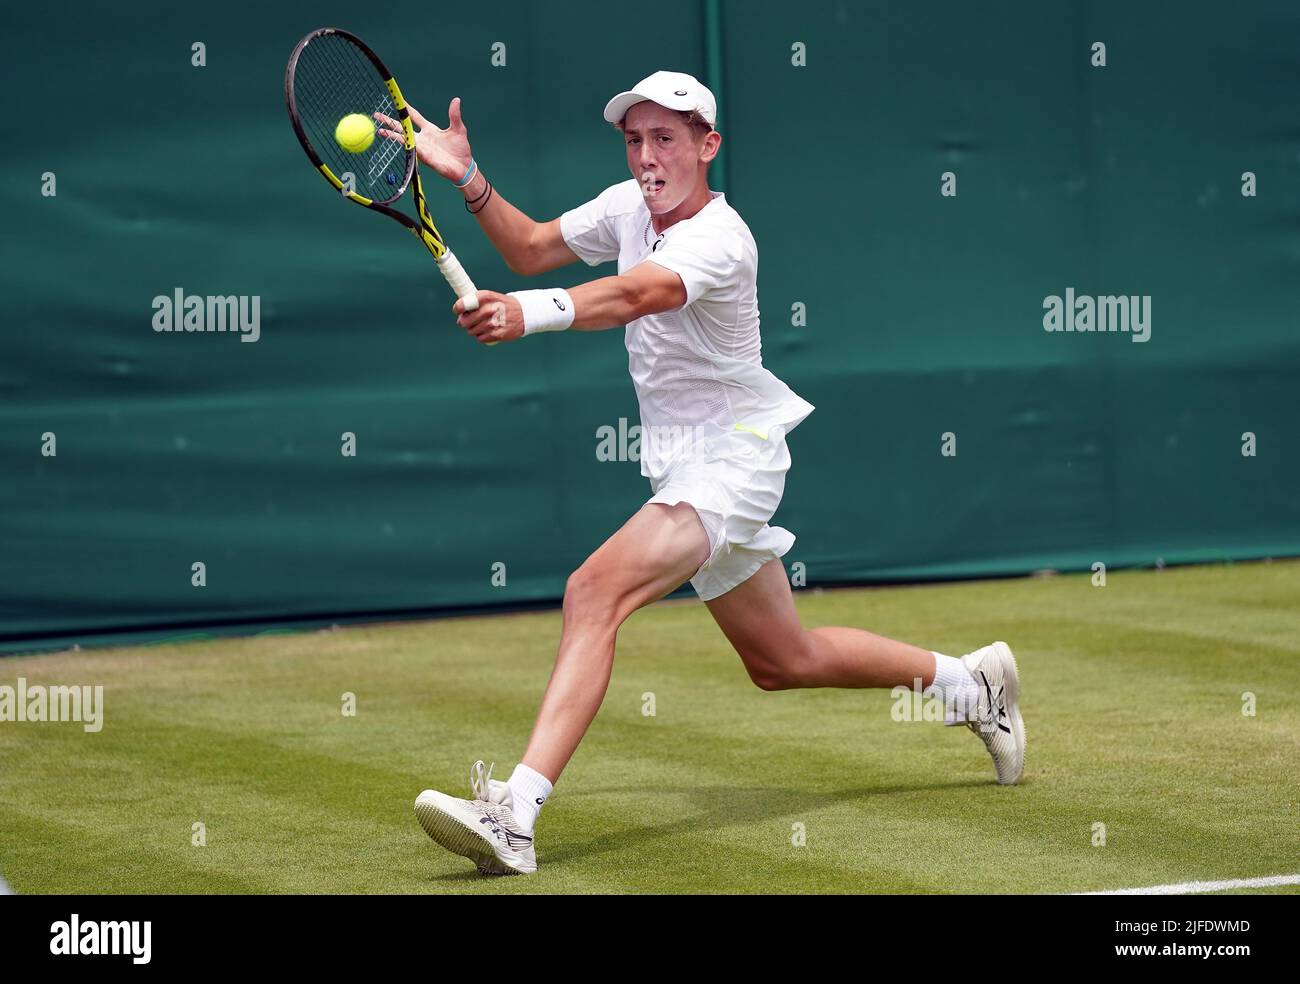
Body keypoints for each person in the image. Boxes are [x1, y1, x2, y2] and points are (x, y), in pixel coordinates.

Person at [399, 71, 1025, 876]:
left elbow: (634, 295)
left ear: (707, 146)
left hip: (735, 456)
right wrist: (471, 180)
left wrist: (529, 313)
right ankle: (973, 684)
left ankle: (514, 815)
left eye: (666, 139)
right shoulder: (628, 207)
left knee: (594, 590)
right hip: (682, 466)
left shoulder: (722, 240)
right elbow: (530, 247)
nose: (648, 157)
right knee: (782, 662)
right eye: (635, 140)